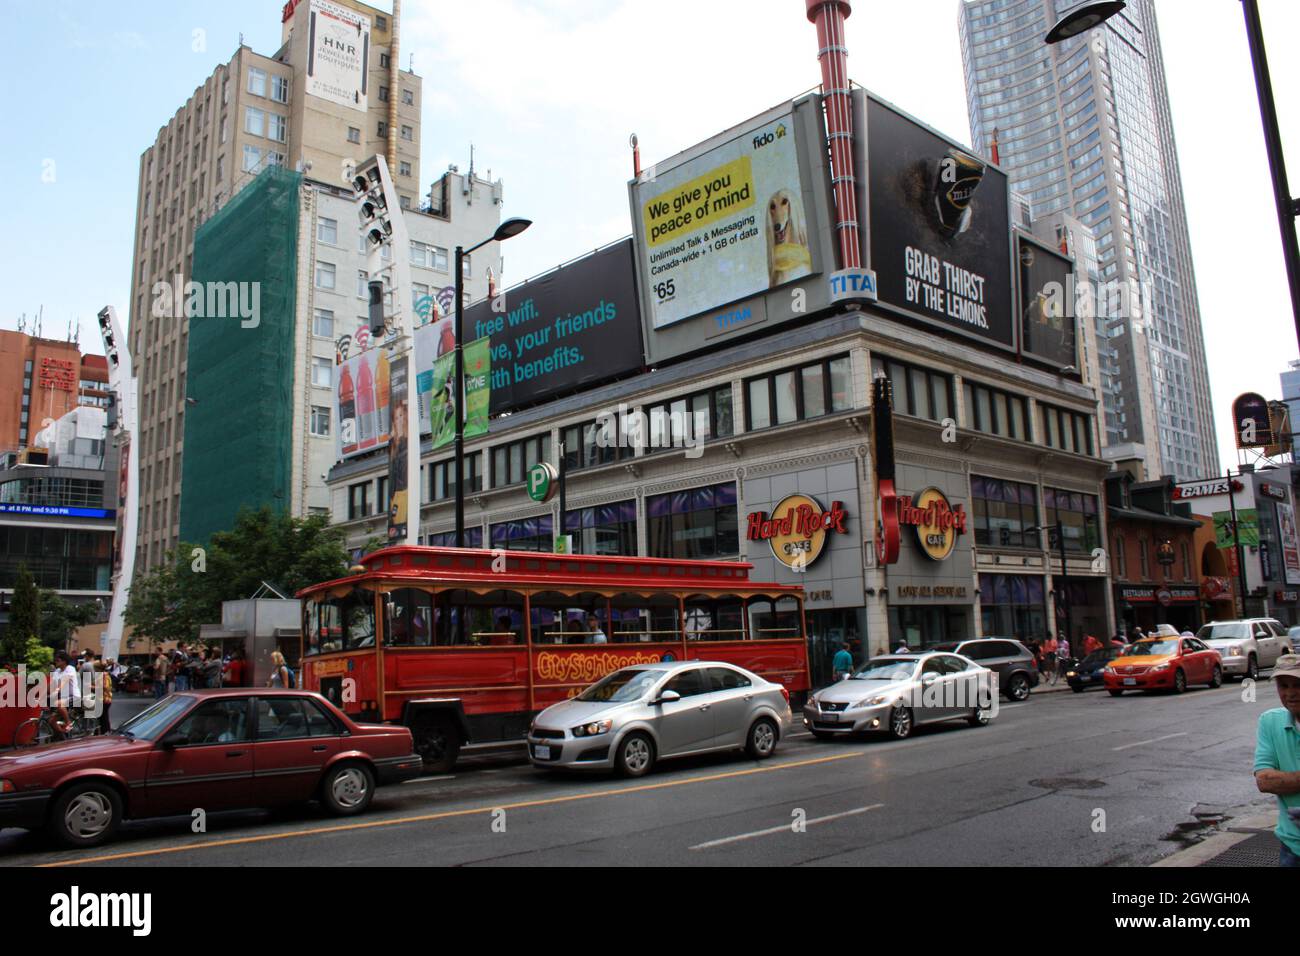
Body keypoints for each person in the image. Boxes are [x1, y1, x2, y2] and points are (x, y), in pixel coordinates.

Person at [1252, 653, 1300, 867]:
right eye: (1284, 685)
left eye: (1298, 685)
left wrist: (1288, 781)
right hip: (1292, 846)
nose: (1291, 693)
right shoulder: (1270, 722)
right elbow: (1265, 781)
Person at [50, 650, 81, 738]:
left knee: (59, 704)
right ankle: (63, 735)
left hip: (73, 696)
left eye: (57, 660)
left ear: (64, 661)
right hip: (63, 697)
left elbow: (64, 680)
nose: (55, 662)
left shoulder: (70, 669)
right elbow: (51, 684)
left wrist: (56, 690)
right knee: (51, 721)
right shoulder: (57, 671)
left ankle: (68, 722)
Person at [95, 660, 113, 734]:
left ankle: (106, 732)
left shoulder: (104, 675)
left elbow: (105, 687)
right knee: (102, 717)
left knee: (103, 717)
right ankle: (104, 731)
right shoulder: (100, 675)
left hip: (104, 699)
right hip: (102, 699)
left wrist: (93, 687)